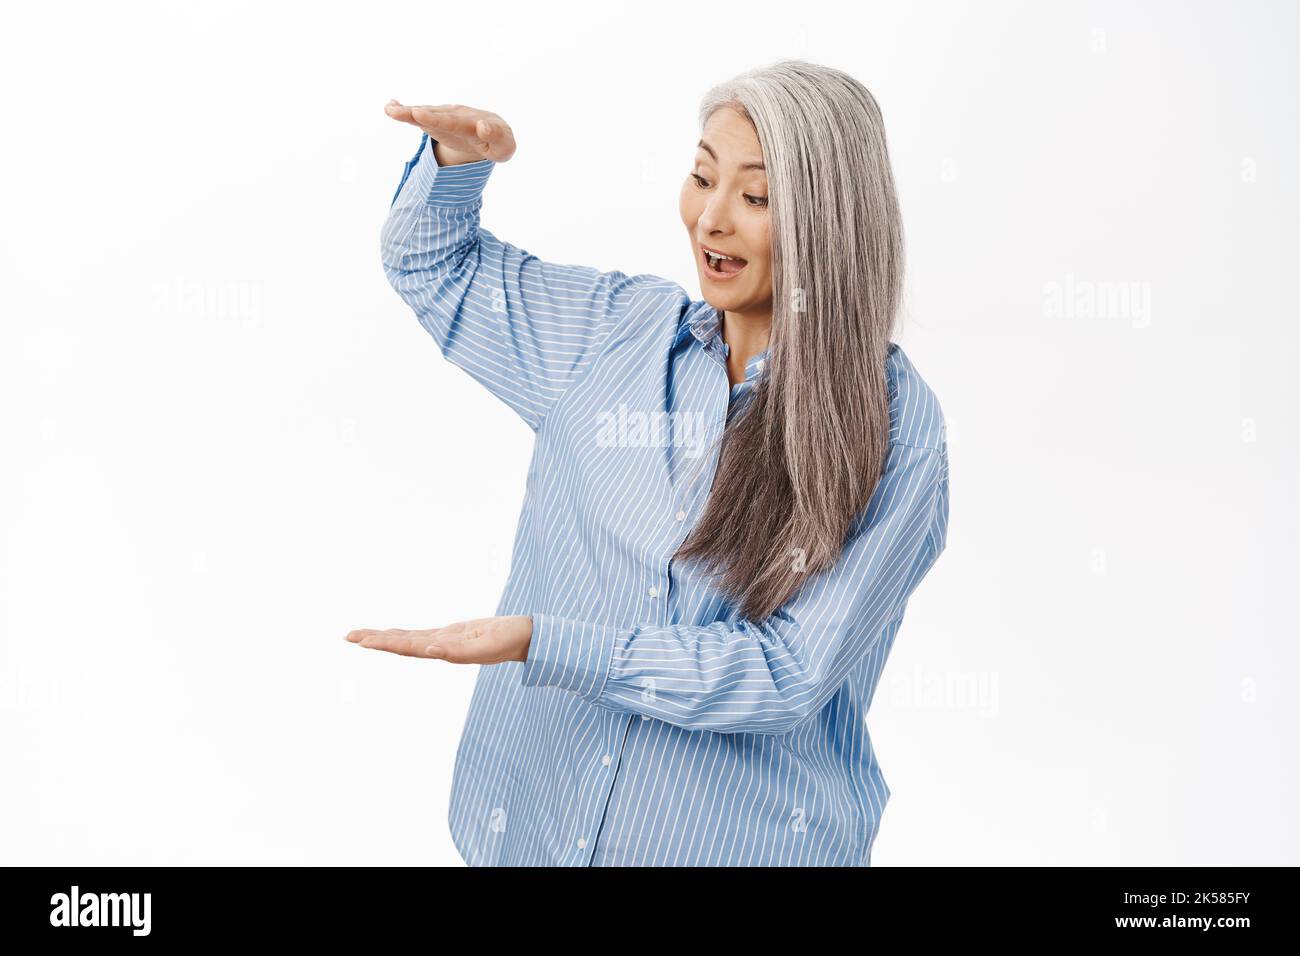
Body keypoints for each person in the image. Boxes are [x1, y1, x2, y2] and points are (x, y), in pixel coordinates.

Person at [347, 58, 950, 866]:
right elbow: (435, 266)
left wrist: (545, 641)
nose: (711, 220)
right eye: (702, 177)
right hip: (531, 836)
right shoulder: (609, 334)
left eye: (757, 197)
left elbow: (787, 672)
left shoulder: (896, 428)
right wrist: (459, 165)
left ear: (829, 224)